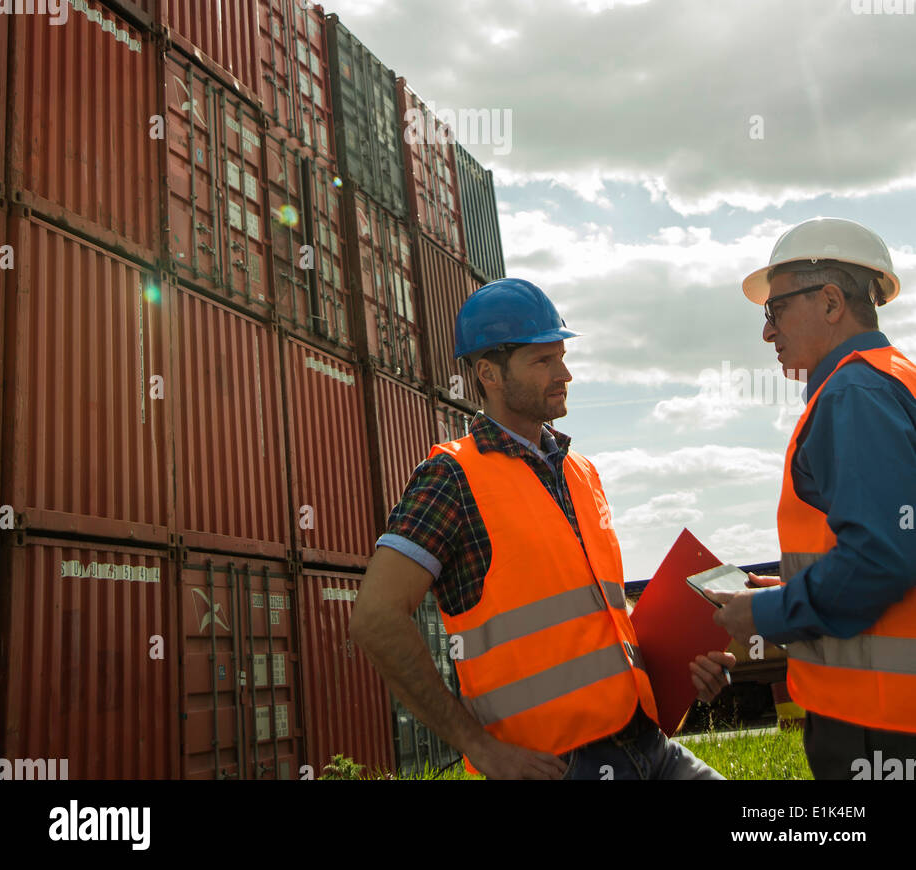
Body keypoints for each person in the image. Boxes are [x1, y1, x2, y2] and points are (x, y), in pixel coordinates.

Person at [350, 277, 734, 781]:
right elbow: (374, 619)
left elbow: (597, 618)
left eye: (562, 356)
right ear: (488, 373)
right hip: (560, 767)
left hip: (649, 743)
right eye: (543, 361)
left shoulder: (581, 470)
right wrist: (479, 749)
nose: (565, 373)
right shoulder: (451, 478)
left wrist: (685, 667)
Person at [712, 218, 916, 780]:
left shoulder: (854, 393)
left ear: (830, 302)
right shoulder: (890, 380)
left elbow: (880, 557)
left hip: (880, 725)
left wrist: (767, 612)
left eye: (775, 312)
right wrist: (788, 588)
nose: (767, 334)